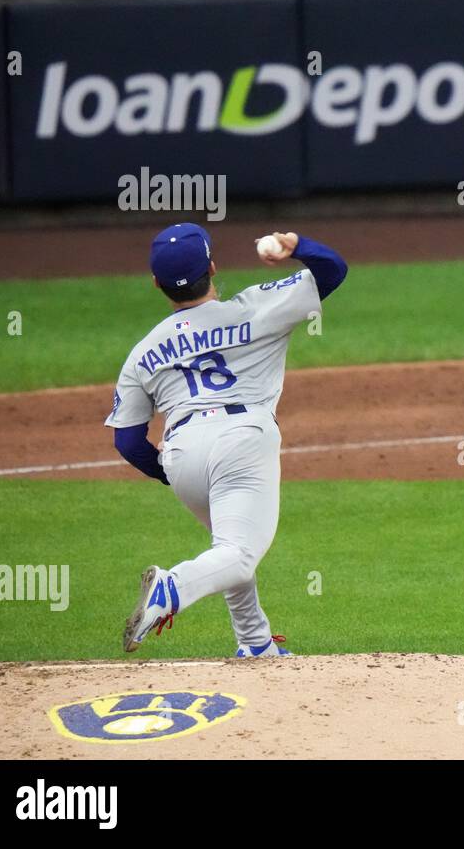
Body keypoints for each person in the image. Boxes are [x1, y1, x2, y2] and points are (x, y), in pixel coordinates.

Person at [110, 224, 348, 658]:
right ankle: (172, 586)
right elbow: (332, 271)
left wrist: (170, 473)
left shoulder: (142, 353)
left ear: (156, 284)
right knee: (239, 554)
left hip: (181, 452)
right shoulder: (257, 307)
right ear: (213, 267)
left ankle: (255, 643)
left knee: (226, 548)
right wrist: (297, 248)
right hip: (242, 440)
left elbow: (127, 441)